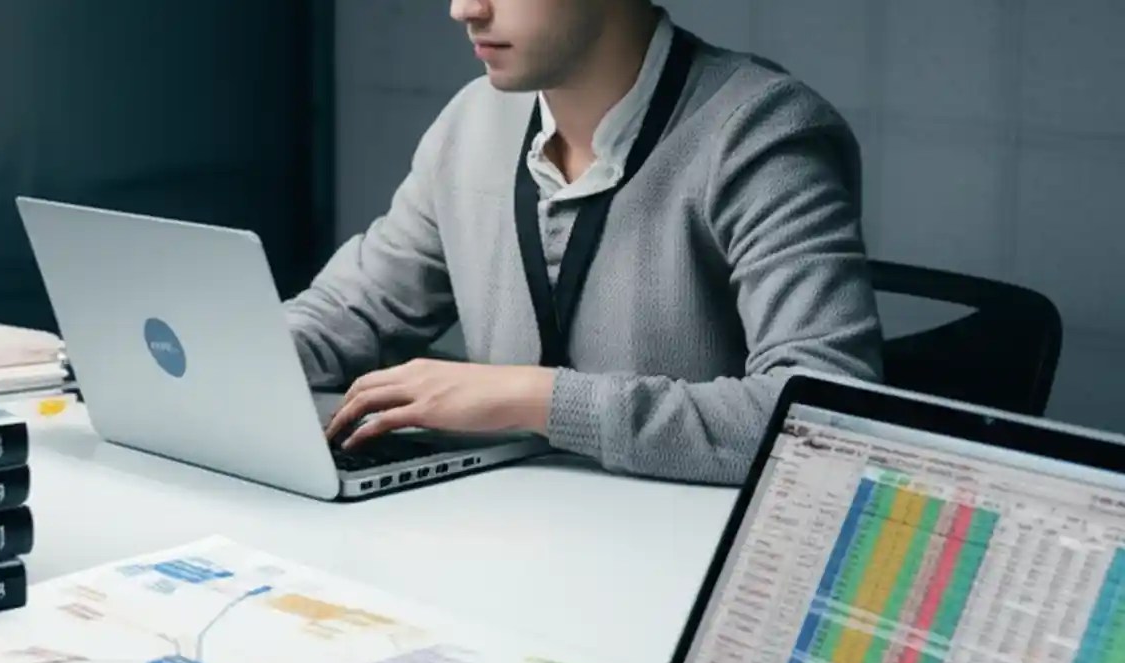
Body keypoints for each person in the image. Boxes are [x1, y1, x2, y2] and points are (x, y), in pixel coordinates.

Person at [285, 0, 883, 485]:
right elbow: (349, 311)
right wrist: (226, 358)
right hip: (500, 536)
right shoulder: (471, 120)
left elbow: (828, 419)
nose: (463, 8)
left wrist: (534, 398)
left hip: (675, 564)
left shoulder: (761, 133)